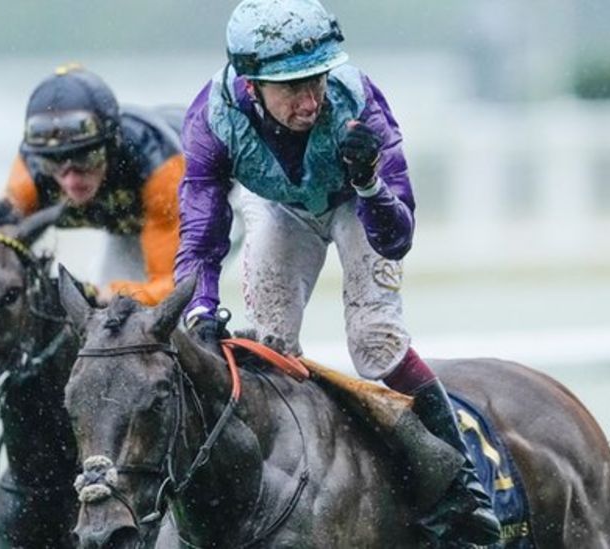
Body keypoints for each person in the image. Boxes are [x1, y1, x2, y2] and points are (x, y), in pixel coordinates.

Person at [173, 0, 501, 545]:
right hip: (280, 207)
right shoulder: (212, 119)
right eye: (291, 88)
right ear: (251, 86)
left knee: (376, 343)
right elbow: (201, 232)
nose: (310, 100)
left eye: (316, 80)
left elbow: (397, 237)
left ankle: (462, 485)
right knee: (269, 345)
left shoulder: (358, 101)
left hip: (356, 205)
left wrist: (369, 181)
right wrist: (200, 306)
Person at [5, 64, 184, 305]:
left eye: (86, 159)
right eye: (53, 163)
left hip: (222, 195)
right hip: (131, 224)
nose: (71, 180)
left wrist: (105, 294)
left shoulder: (158, 168)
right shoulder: (28, 177)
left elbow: (174, 288)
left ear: (112, 147)